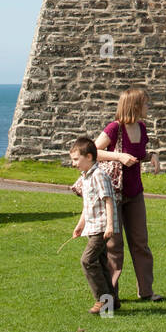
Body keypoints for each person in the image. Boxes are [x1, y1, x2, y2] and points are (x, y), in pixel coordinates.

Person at [95, 87, 162, 302]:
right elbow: (93, 151)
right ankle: (111, 296)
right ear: (134, 105)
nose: (148, 106)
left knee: (140, 242)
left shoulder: (141, 128)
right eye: (145, 103)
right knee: (114, 246)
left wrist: (152, 156)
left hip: (134, 193)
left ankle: (146, 291)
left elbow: (139, 154)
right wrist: (119, 156)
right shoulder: (115, 128)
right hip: (112, 195)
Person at [70, 135, 120, 315]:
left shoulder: (99, 175)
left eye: (77, 159)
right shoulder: (85, 177)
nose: (74, 163)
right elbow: (87, 205)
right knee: (99, 261)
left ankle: (102, 299)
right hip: (92, 227)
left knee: (87, 260)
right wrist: (80, 225)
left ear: (89, 157)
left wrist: (109, 226)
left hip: (101, 228)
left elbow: (108, 201)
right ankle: (111, 303)